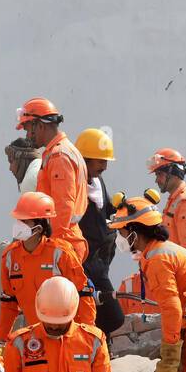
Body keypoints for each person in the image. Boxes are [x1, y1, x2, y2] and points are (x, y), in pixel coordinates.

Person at [108, 194, 186, 372]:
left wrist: (170, 357)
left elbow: (171, 308)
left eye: (121, 232)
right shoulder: (155, 253)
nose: (118, 239)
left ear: (134, 232)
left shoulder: (158, 259)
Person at [0, 191, 95, 341]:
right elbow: (9, 304)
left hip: (66, 336)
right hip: (37, 338)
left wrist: (87, 337)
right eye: (18, 220)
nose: (19, 225)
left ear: (40, 226)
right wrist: (1, 342)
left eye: (25, 221)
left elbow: (83, 296)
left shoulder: (61, 254)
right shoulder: (10, 257)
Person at [19, 97, 89, 262]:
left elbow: (62, 208)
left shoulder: (59, 156)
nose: (28, 135)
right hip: (64, 241)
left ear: (40, 125)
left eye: (29, 129)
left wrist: (51, 246)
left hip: (62, 243)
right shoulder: (61, 152)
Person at [75, 128, 125, 335]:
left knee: (101, 317)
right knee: (113, 317)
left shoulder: (97, 181)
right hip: (85, 265)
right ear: (84, 160)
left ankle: (97, 348)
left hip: (100, 263)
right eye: (100, 161)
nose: (104, 166)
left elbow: (103, 211)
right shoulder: (74, 187)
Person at [149, 148, 186, 254]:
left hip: (179, 269)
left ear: (173, 172)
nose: (156, 180)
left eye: (159, 174)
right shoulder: (174, 201)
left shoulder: (184, 202)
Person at [6, 137, 43, 239]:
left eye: (11, 161)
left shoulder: (31, 178)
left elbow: (26, 223)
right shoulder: (39, 166)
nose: (10, 168)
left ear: (21, 160)